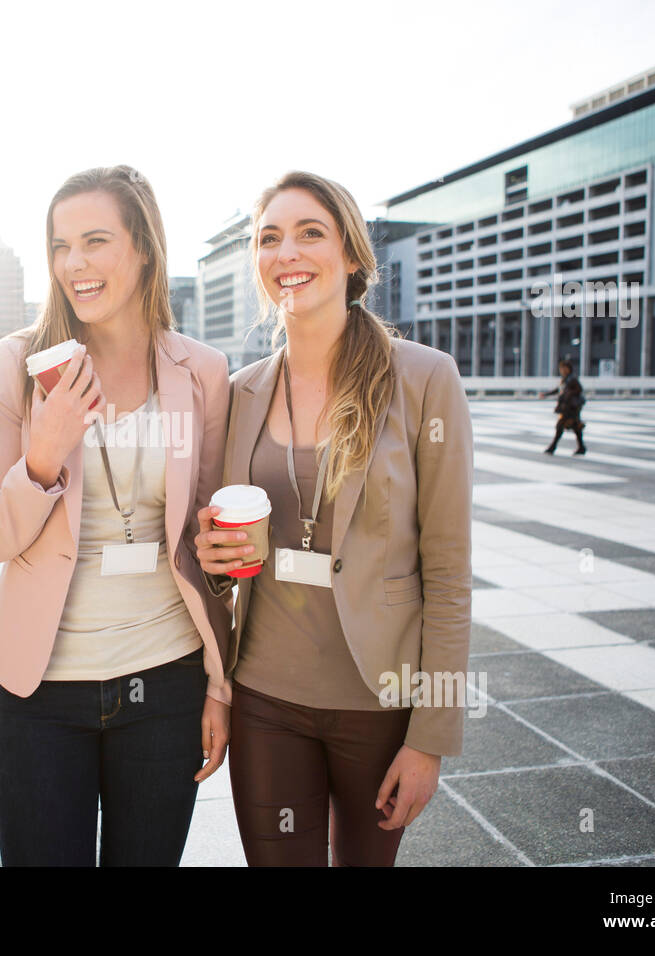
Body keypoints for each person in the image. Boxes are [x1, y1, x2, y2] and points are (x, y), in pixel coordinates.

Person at [194, 171, 473, 866]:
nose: (287, 252)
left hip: (380, 706)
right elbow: (228, 559)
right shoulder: (239, 393)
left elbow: (448, 571)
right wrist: (214, 562)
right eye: (269, 238)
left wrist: (430, 737)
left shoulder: (424, 379)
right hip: (264, 699)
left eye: (309, 233)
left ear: (351, 256)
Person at [0, 165, 233, 866]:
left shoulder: (201, 372)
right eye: (60, 246)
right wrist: (43, 458)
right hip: (42, 690)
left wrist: (220, 684)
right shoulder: (19, 364)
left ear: (144, 248)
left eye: (94, 241)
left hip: (168, 683)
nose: (74, 265)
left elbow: (212, 549)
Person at [540, 359, 586, 455]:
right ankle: (581, 447)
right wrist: (546, 394)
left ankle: (552, 447)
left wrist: (568, 393)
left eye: (564, 368)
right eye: (561, 368)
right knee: (575, 428)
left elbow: (579, 389)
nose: (563, 370)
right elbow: (558, 390)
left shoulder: (572, 379)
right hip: (568, 408)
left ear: (569, 369)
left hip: (571, 408)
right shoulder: (565, 379)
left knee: (560, 426)